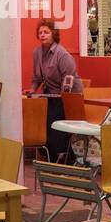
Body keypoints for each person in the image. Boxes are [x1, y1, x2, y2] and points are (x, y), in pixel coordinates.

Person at [25, 19, 83, 161]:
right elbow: (36, 77)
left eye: (46, 32)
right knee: (41, 115)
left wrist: (62, 97)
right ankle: (51, 154)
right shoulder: (37, 53)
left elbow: (68, 80)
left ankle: (62, 155)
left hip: (68, 96)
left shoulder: (62, 54)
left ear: (53, 34)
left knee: (52, 117)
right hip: (50, 94)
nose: (42, 35)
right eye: (40, 32)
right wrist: (32, 90)